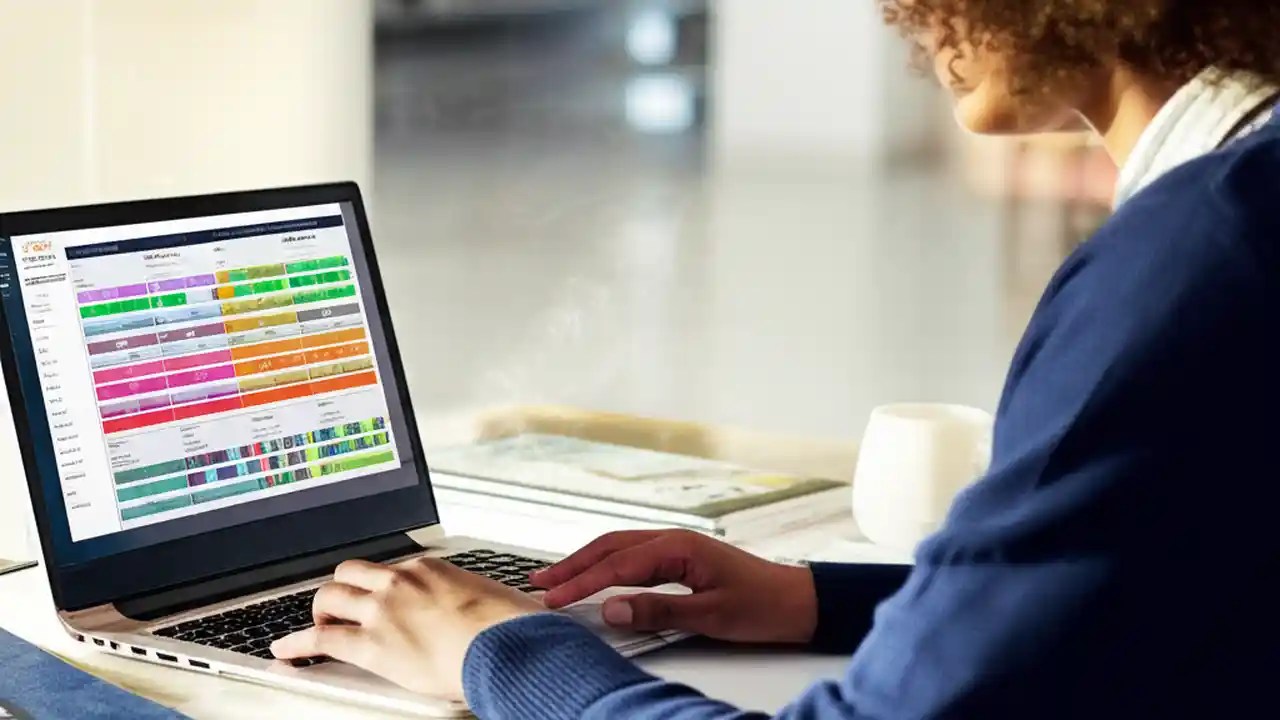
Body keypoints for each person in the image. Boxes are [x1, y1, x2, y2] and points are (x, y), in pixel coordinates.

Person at [272, 1, 1280, 717]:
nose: (903, 15)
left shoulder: (1186, 268)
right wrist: (814, 600)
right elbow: (1184, 580)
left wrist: (497, 652)